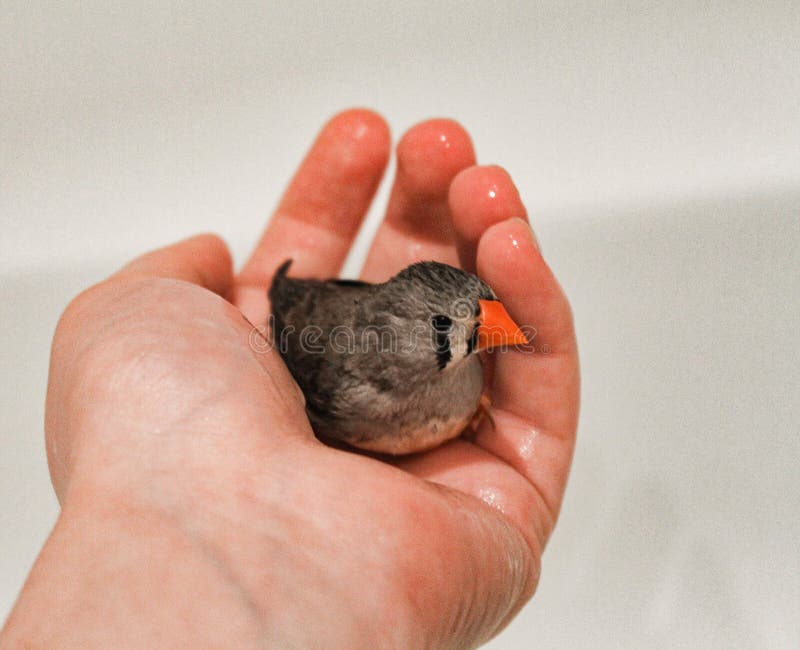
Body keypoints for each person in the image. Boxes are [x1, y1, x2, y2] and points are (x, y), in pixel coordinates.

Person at [0, 109, 579, 648]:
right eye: (456, 325)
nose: (488, 334)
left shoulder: (468, 373)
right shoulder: (343, 381)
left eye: (484, 317)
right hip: (309, 307)